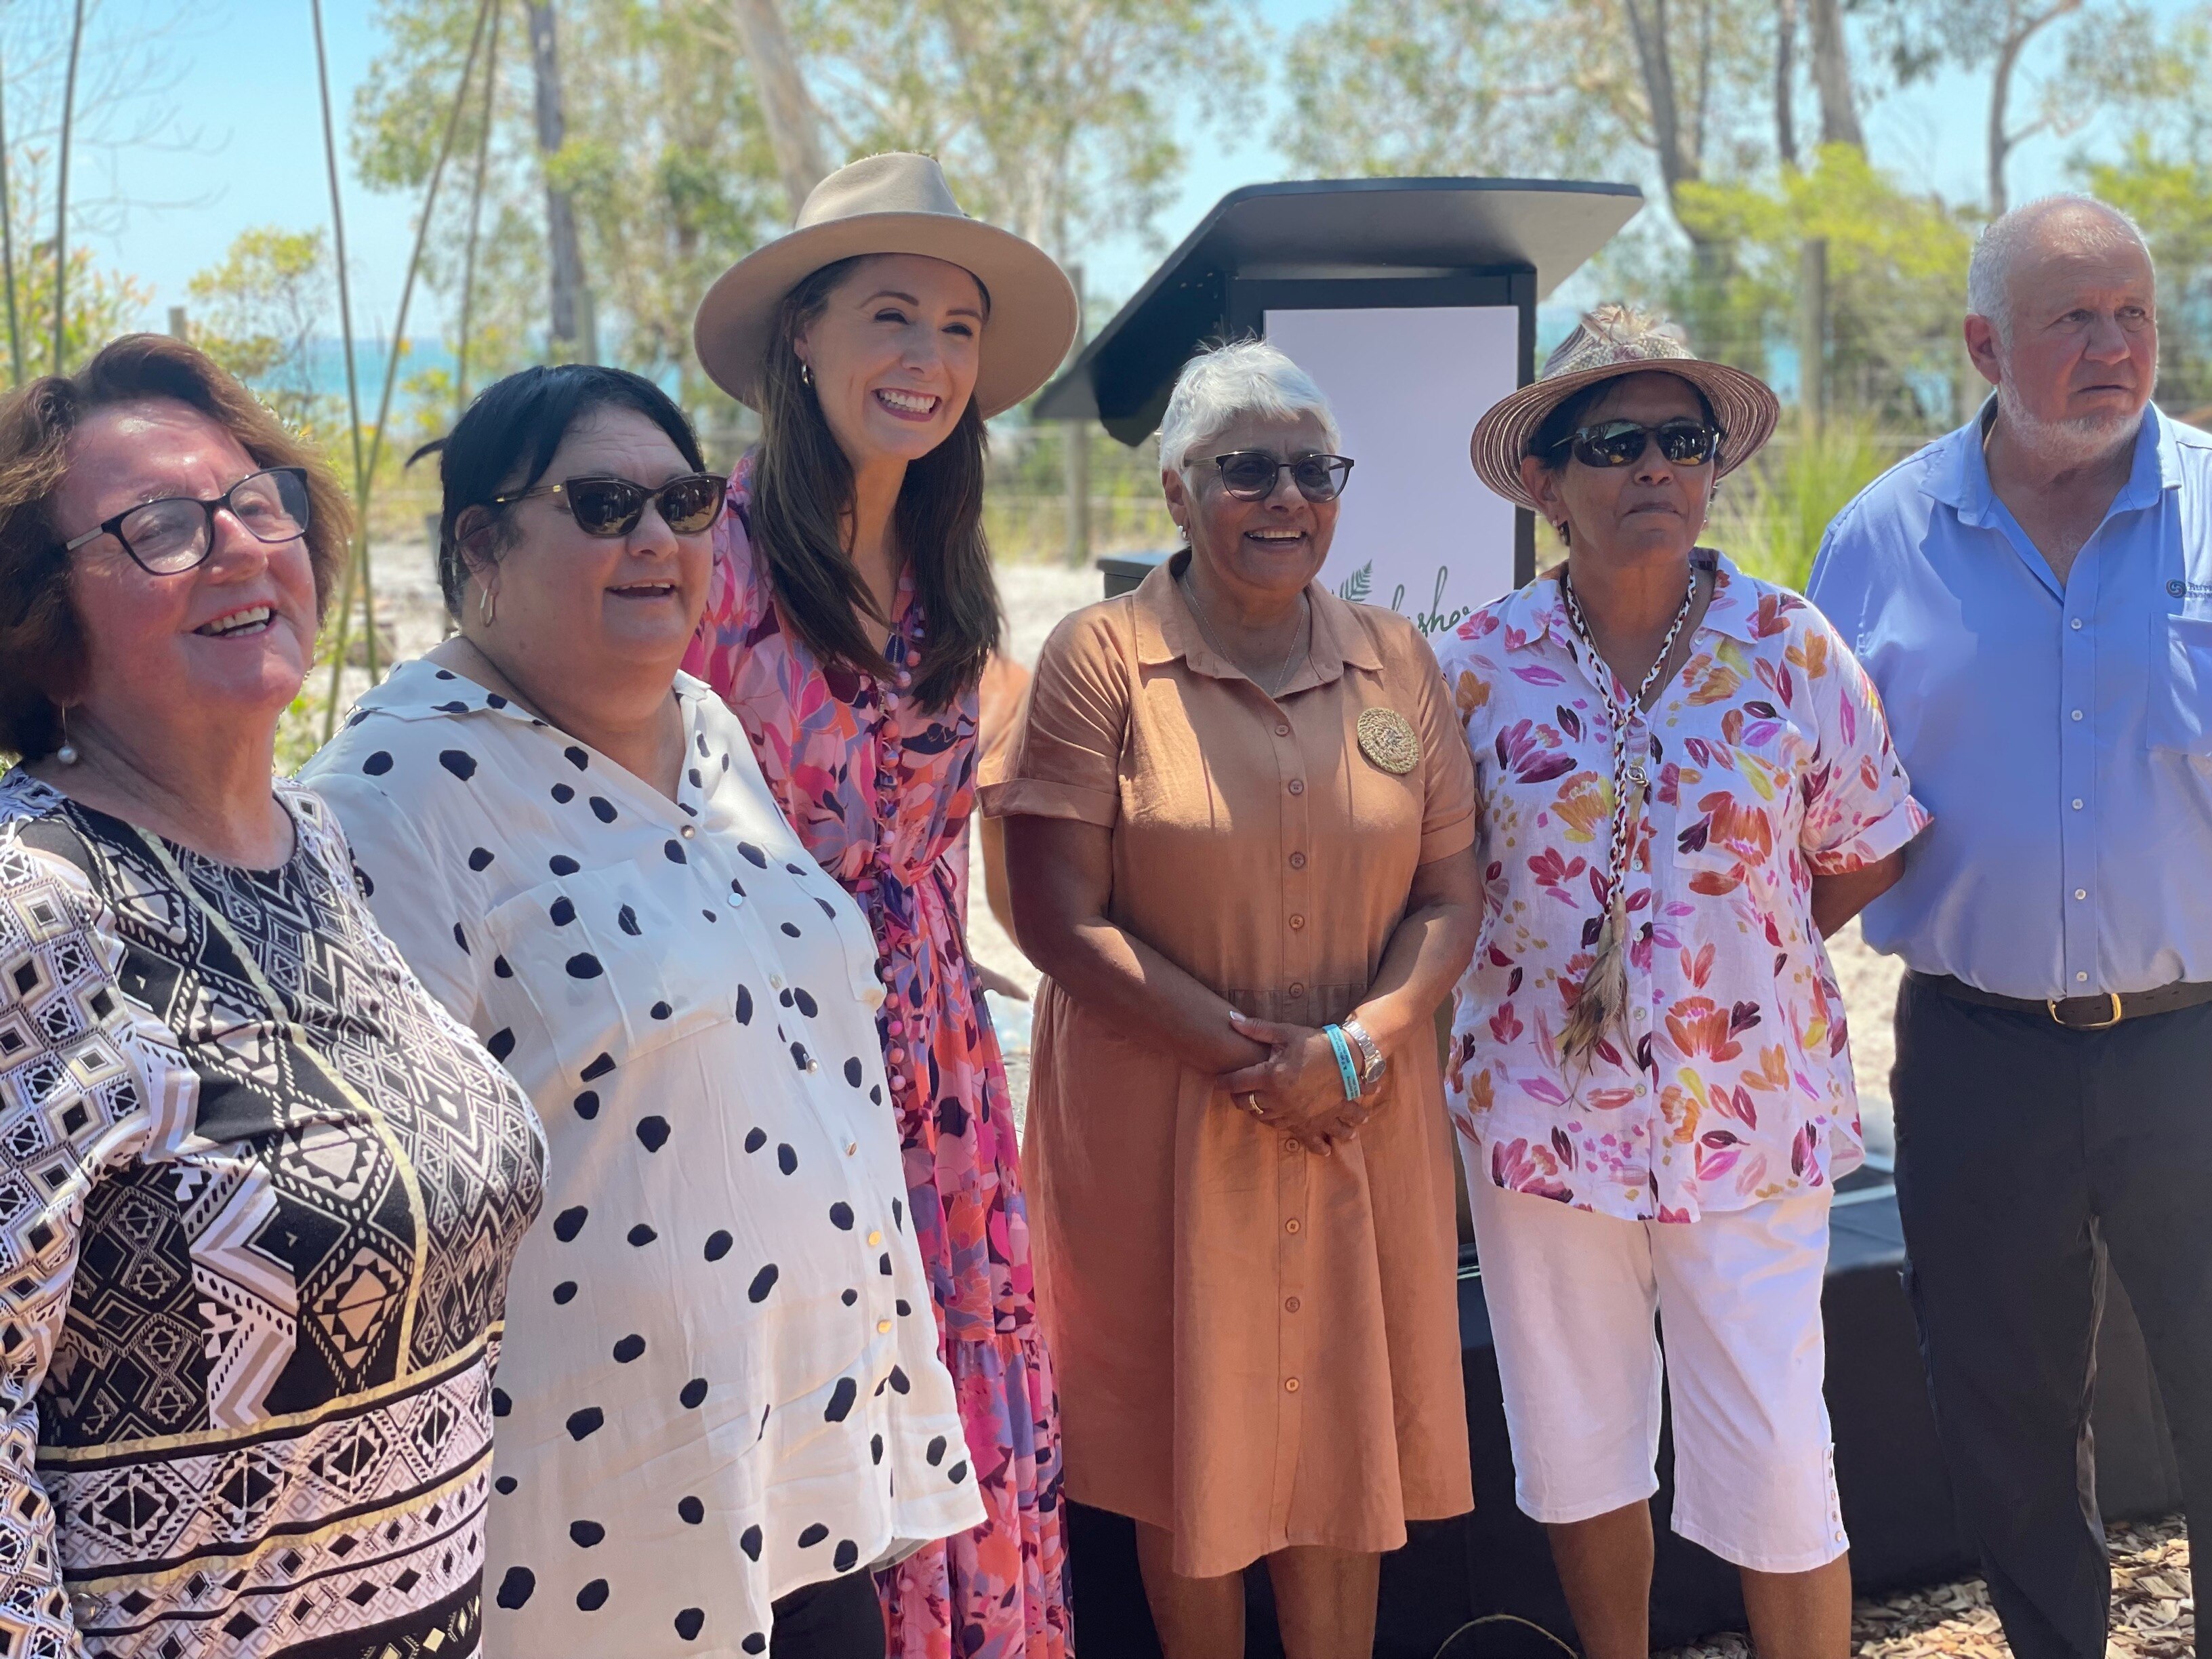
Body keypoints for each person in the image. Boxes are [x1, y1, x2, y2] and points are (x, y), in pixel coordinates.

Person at [304, 365, 981, 1659]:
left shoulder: (708, 727)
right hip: (597, 1532)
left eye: (685, 501)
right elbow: (382, 1207)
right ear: (482, 545)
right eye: (604, 505)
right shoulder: (392, 793)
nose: (658, 538)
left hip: (808, 1473)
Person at [0, 334, 546, 1657]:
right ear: (39, 617)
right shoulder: (33, 905)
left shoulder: (319, 851)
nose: (242, 547)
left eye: (258, 502)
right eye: (161, 529)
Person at [1440, 306, 1928, 1659]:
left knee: (1779, 1455)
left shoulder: (1790, 646)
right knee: (1577, 1441)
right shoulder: (1473, 670)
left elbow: (1868, 842)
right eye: (1614, 443)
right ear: (1546, 481)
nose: (1655, 466)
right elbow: (1439, 884)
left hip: (1750, 1115)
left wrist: (1736, 963)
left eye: (1683, 439)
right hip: (1542, 1123)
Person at [981, 338, 1481, 1658]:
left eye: (1315, 470)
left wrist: (1356, 1050)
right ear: (1176, 489)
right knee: (1190, 1458)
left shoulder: (1397, 660)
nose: (1286, 497)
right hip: (1168, 1129)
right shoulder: (1100, 659)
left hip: (1360, 1120)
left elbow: (1451, 894)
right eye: (1247, 468)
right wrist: (1262, 1066)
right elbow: (1055, 913)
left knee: (1341, 1445)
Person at [685, 152, 1080, 1657]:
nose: (929, 358)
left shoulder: (943, 565)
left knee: (960, 1396)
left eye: (958, 328)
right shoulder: (704, 558)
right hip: (764, 1060)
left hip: (937, 1064)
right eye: (892, 316)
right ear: (804, 334)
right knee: (807, 1425)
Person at [1807, 195, 2211, 1659]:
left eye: (2134, 315)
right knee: (2006, 1411)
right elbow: (1807, 797)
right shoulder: (1879, 542)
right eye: (2072, 320)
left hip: (2195, 1047)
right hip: (1978, 1051)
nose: (2114, 348)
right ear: (1984, 346)